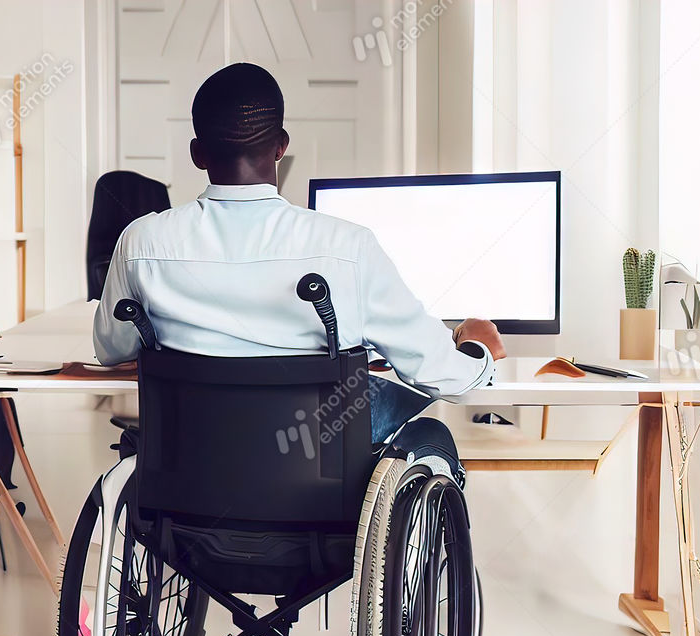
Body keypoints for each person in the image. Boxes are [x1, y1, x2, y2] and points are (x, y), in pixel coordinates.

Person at [94, 63, 506, 444]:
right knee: (431, 435)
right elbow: (438, 374)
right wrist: (478, 352)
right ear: (281, 146)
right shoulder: (348, 247)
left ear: (197, 154)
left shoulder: (142, 242)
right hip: (314, 483)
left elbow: (111, 349)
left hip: (186, 478)